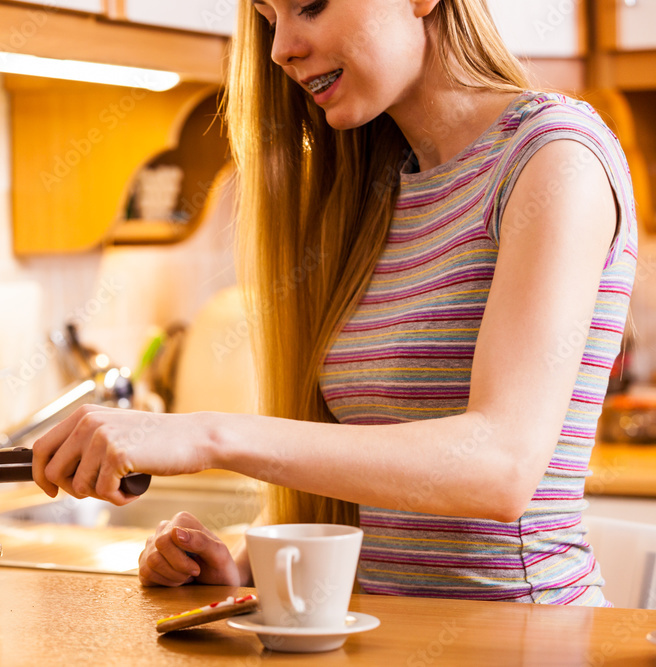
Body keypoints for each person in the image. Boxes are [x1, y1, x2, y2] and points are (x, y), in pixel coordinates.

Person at [32, 0, 637, 606]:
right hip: (379, 638)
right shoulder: (376, 186)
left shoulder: (554, 158)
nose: (281, 48)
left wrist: (209, 435)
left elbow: (500, 466)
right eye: (271, 19)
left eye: (310, 7)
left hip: (523, 638)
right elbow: (372, 479)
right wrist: (243, 566)